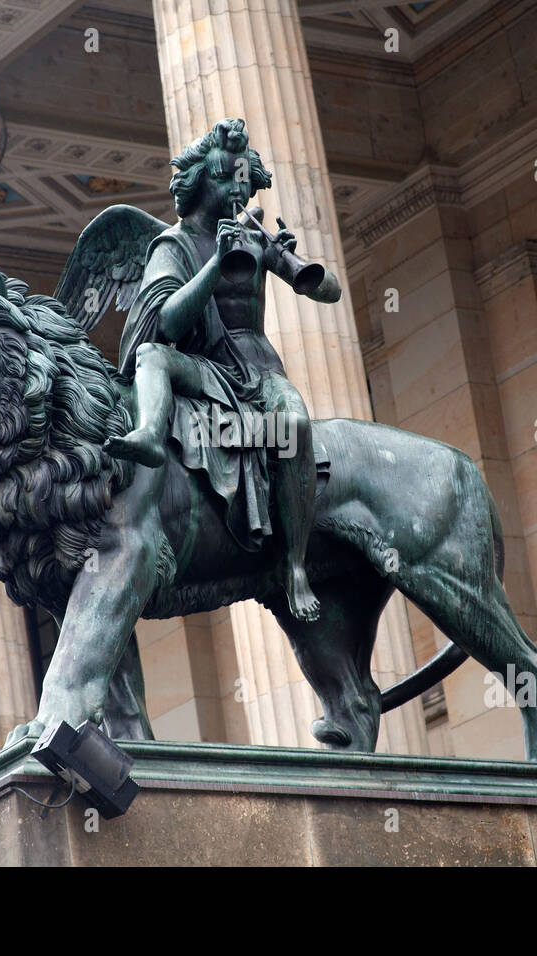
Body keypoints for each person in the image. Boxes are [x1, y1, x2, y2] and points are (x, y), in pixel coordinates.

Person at [105, 118, 331, 622]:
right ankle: (148, 433)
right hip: (203, 368)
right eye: (229, 182)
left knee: (291, 425)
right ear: (201, 184)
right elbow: (165, 321)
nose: (239, 192)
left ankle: (293, 565)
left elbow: (328, 290)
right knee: (152, 359)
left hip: (256, 367)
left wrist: (296, 264)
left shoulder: (254, 238)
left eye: (245, 184)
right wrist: (215, 263)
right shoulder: (173, 246)